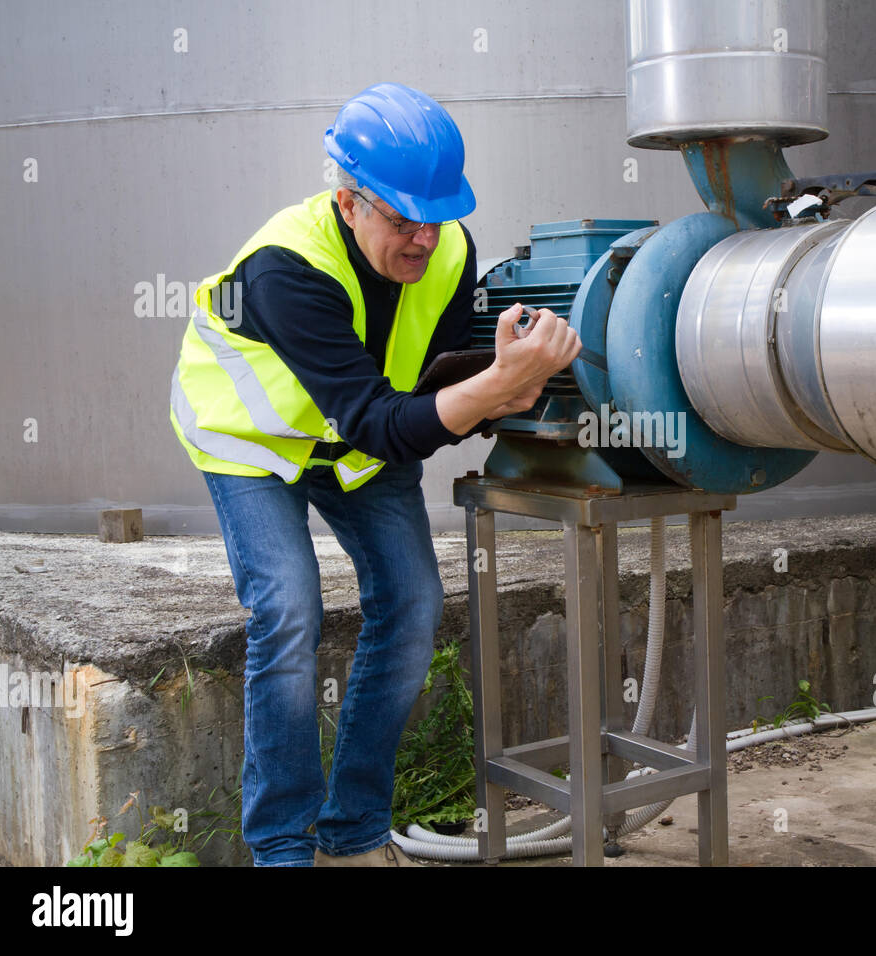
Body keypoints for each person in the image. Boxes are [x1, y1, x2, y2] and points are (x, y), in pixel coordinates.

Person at [169, 82, 581, 867]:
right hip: (253, 439)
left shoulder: (450, 252)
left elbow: (428, 386)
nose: (423, 240)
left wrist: (508, 380)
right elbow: (381, 423)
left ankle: (354, 834)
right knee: (288, 610)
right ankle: (282, 848)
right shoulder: (285, 268)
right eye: (401, 220)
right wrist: (491, 387)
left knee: (416, 603)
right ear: (348, 199)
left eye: (435, 217)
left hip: (358, 443)